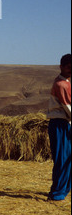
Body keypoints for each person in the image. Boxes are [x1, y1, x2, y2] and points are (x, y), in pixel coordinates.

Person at [46, 53, 71, 202]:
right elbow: (68, 108)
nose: (70, 70)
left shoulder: (66, 82)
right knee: (62, 159)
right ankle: (57, 193)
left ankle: (62, 190)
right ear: (61, 67)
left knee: (67, 158)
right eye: (68, 67)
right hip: (60, 124)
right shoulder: (61, 84)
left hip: (64, 124)